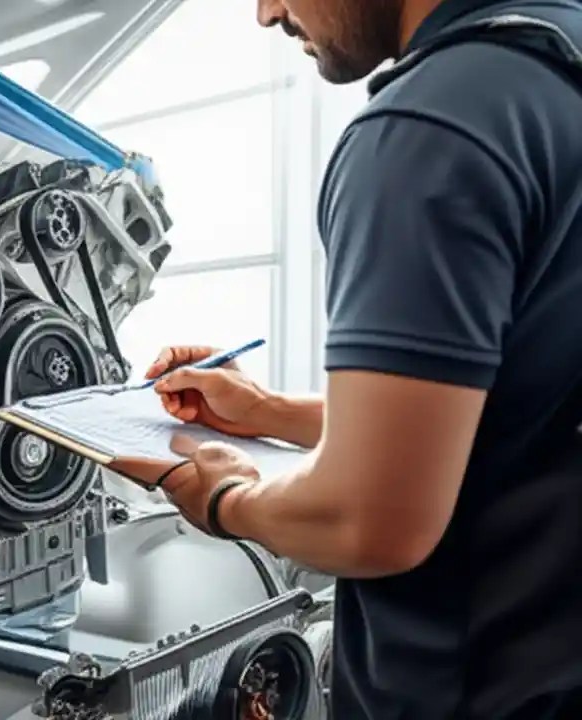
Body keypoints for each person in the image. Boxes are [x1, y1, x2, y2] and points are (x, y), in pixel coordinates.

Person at [109, 0, 582, 718]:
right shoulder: (558, 64)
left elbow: (370, 520)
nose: (267, 13)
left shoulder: (425, 129)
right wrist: (270, 413)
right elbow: (516, 403)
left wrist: (223, 498)